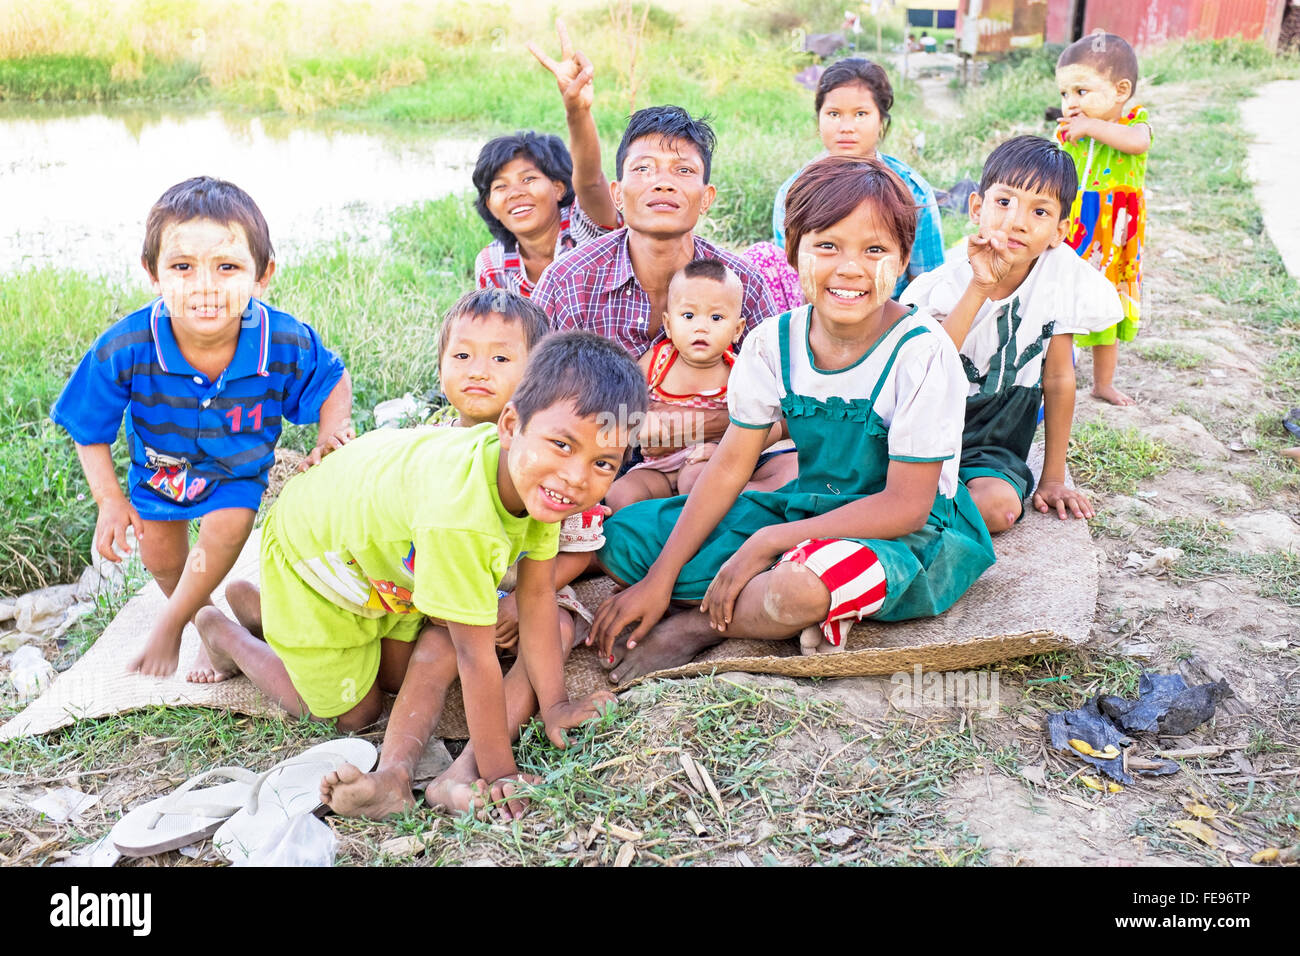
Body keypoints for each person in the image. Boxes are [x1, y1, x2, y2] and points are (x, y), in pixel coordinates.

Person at [193, 333, 644, 820]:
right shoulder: (460, 515)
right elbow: (476, 662)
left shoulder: (532, 481)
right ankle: (226, 633)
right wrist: (498, 774)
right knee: (354, 712)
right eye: (562, 444)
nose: (577, 477)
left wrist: (554, 705)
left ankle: (263, 609)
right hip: (316, 565)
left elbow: (536, 597)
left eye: (602, 463)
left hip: (381, 570)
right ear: (511, 424)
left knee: (412, 662)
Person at [590, 156, 995, 682]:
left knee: (796, 589)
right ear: (791, 253)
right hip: (805, 505)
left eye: (875, 250)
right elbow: (732, 466)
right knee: (624, 536)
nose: (850, 268)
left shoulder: (923, 353)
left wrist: (767, 543)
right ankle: (734, 595)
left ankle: (698, 627)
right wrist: (660, 578)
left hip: (906, 536)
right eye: (827, 246)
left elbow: (908, 507)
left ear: (900, 263)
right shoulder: (771, 343)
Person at [50, 176, 353, 681]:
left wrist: (332, 432)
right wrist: (109, 501)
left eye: (228, 267)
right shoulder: (126, 346)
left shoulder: (281, 338)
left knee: (228, 526)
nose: (205, 286)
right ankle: (206, 621)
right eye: (183, 267)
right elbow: (88, 425)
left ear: (262, 276)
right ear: (153, 273)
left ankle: (177, 627)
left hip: (237, 469)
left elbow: (332, 378)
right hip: (161, 471)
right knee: (163, 557)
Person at [902, 135, 1122, 533]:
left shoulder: (1061, 276)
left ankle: (915, 511)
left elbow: (1057, 378)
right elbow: (929, 368)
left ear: (1059, 231)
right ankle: (908, 505)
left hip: (993, 442)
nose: (1017, 221)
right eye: (1004, 202)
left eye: (1040, 211)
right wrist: (980, 287)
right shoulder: (946, 283)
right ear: (976, 207)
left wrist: (1054, 477)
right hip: (923, 426)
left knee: (1000, 509)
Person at [531, 104, 779, 357]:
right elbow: (527, 383)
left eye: (683, 170)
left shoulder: (743, 283)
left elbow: (775, 383)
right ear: (617, 194)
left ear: (706, 198)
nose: (663, 184)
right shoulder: (567, 281)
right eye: (643, 168)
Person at [747, 58, 945, 313]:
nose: (846, 127)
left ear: (881, 120)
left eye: (861, 114)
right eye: (834, 114)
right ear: (818, 119)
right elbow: (792, 278)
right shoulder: (794, 192)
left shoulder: (913, 191)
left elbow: (928, 286)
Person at [606, 259, 790, 511]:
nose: (701, 327)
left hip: (706, 463)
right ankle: (648, 534)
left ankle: (707, 527)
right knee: (620, 493)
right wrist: (640, 418)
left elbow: (771, 428)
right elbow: (621, 400)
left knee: (696, 481)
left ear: (737, 330)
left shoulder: (739, 372)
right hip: (656, 467)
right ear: (669, 325)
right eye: (689, 315)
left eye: (716, 317)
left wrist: (722, 450)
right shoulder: (657, 361)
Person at [472, 22, 621, 297]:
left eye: (528, 179)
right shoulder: (492, 265)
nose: (515, 193)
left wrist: (577, 111)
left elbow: (589, 181)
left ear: (558, 187)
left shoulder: (583, 228)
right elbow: (502, 335)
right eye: (500, 187)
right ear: (490, 206)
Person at [1055, 32, 1151, 406]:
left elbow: (1137, 143)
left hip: (1116, 236)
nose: (1070, 103)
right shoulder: (1072, 133)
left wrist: (1091, 128)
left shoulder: (1135, 122)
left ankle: (1103, 383)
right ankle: (1057, 373)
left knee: (1108, 308)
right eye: (1064, 94)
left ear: (1120, 90)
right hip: (1077, 228)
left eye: (1081, 92)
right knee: (1065, 303)